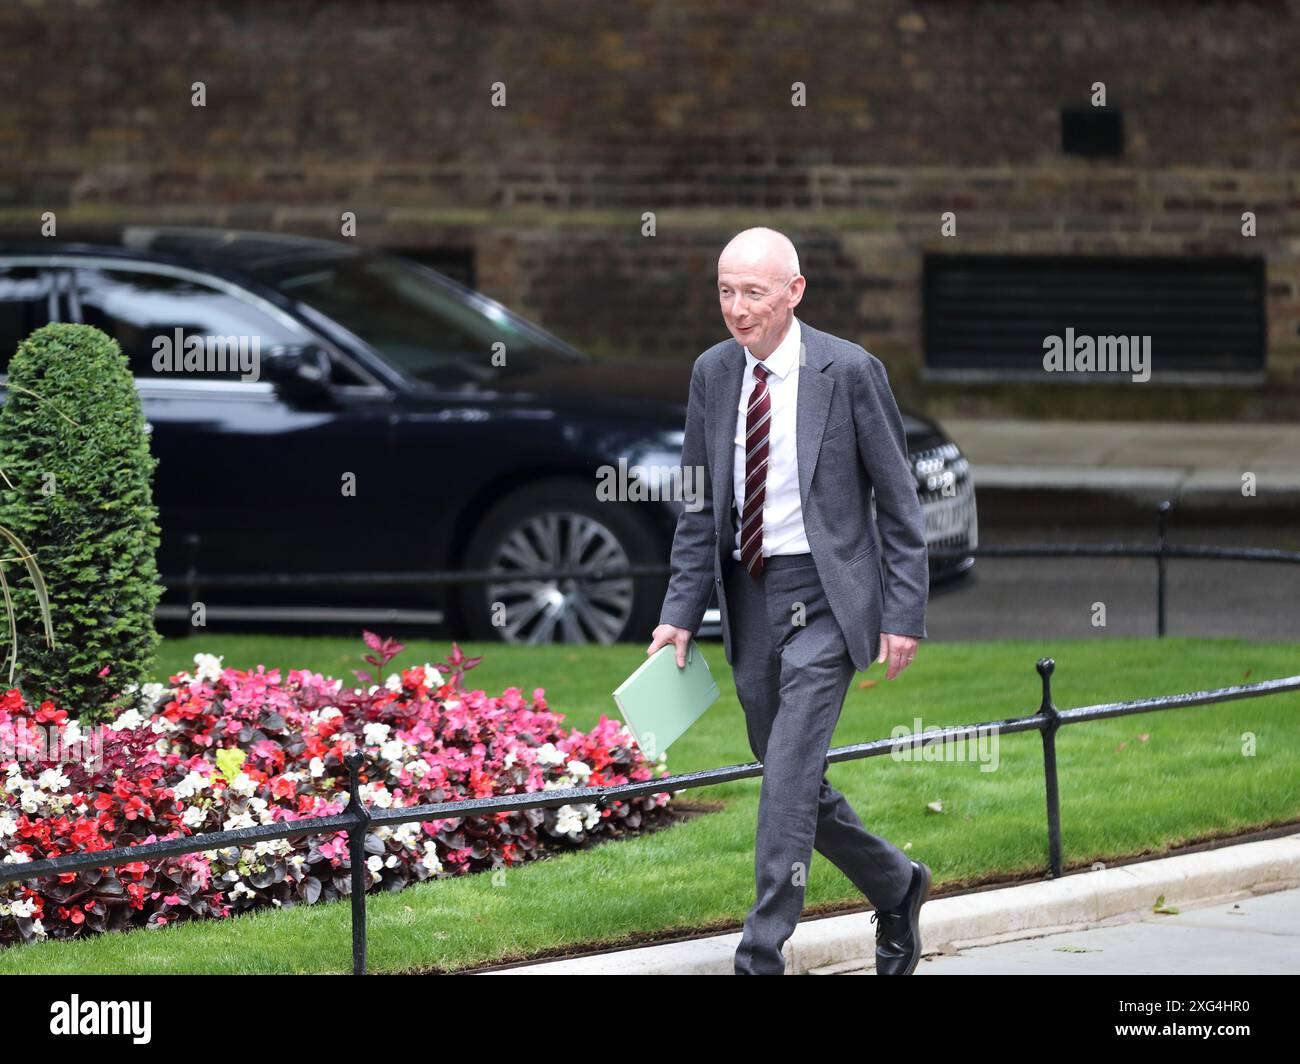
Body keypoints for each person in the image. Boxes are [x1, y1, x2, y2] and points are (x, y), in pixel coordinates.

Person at [646, 226, 932, 975]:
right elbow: (699, 504)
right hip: (748, 598)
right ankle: (897, 885)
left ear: (795, 292)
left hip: (828, 599)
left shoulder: (851, 371)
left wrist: (903, 612)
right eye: (725, 291)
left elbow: (900, 505)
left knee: (788, 773)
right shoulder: (712, 372)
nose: (738, 310)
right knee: (786, 769)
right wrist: (680, 610)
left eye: (755, 293)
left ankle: (761, 952)